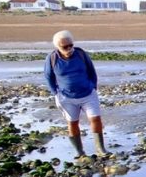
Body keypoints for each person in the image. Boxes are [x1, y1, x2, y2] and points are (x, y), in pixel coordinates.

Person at [45, 31, 108, 159]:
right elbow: (48, 76)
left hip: (88, 94)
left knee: (95, 119)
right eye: (65, 47)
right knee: (73, 123)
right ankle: (79, 152)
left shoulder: (80, 54)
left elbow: (91, 71)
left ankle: (101, 149)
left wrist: (93, 86)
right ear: (57, 47)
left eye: (71, 45)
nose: (69, 49)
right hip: (66, 97)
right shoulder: (52, 58)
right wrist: (55, 93)